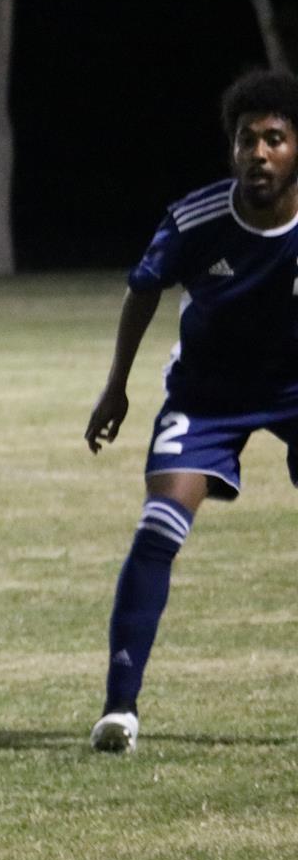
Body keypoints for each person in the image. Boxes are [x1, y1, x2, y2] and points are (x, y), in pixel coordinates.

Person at [83, 68, 298, 752]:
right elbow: (143, 291)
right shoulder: (197, 218)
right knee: (158, 529)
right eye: (245, 140)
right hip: (206, 394)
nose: (258, 154)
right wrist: (116, 386)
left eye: (274, 139)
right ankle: (120, 707)